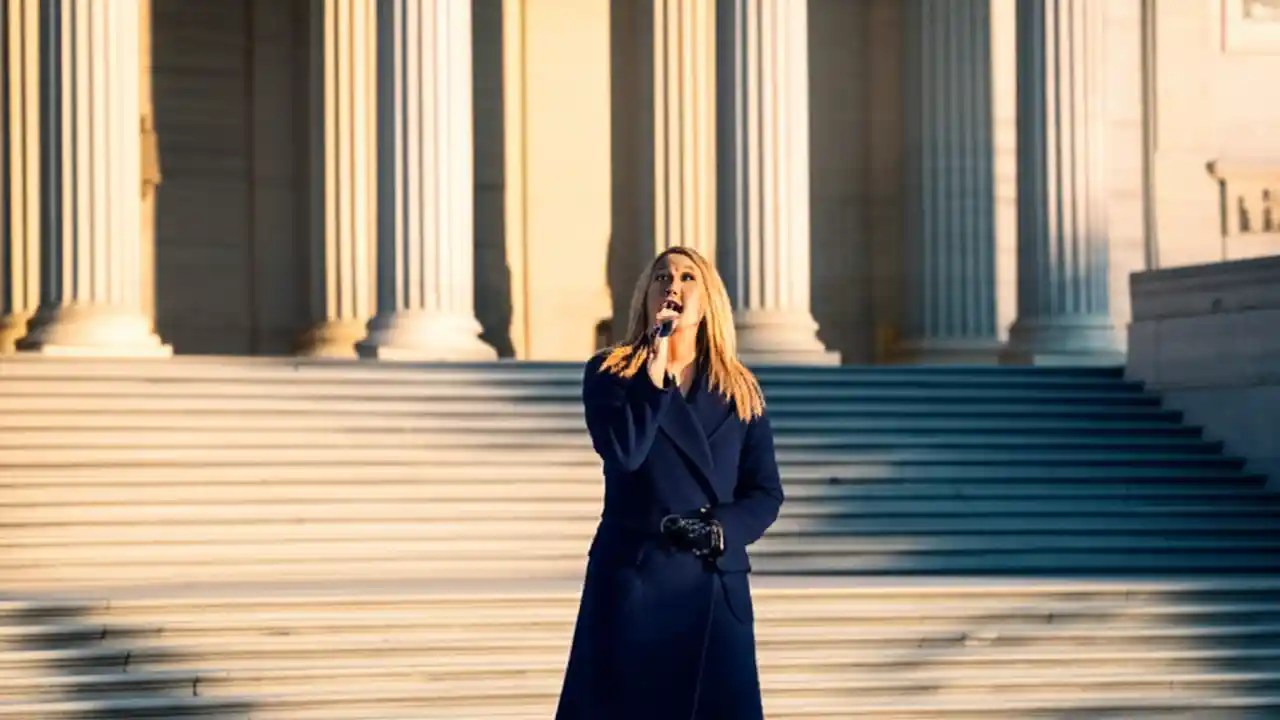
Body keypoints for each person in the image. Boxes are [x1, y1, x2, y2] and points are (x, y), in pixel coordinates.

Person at [556, 246, 784, 720]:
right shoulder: (611, 373)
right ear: (645, 295)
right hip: (636, 585)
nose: (672, 285)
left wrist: (723, 530)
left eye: (686, 278)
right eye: (661, 276)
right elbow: (624, 453)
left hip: (714, 592)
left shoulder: (740, 388)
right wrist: (654, 371)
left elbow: (765, 492)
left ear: (707, 303)